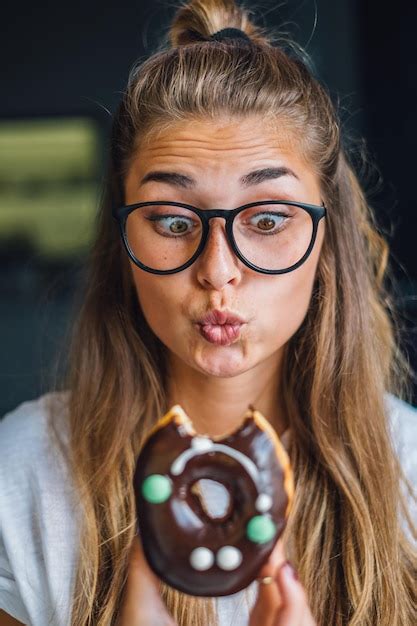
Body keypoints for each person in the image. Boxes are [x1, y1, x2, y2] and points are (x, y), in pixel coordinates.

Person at [1, 0, 416, 624]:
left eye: (268, 219)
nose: (218, 270)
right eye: (172, 220)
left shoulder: (411, 474)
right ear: (123, 242)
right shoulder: (20, 480)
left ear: (326, 239)